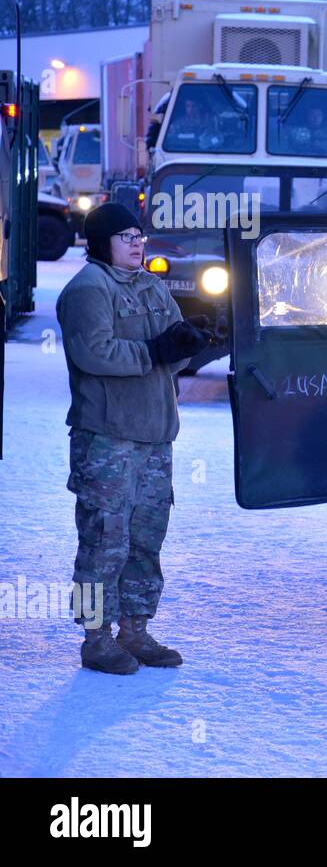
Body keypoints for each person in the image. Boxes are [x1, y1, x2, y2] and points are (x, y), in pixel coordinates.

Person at [56, 203, 215, 674]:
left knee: (146, 540)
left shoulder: (151, 286)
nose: (138, 244)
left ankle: (134, 630)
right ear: (103, 243)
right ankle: (95, 637)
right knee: (103, 540)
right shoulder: (88, 289)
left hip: (154, 437)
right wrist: (155, 350)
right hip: (107, 439)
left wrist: (184, 345)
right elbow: (94, 352)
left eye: (140, 236)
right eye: (127, 237)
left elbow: (170, 356)